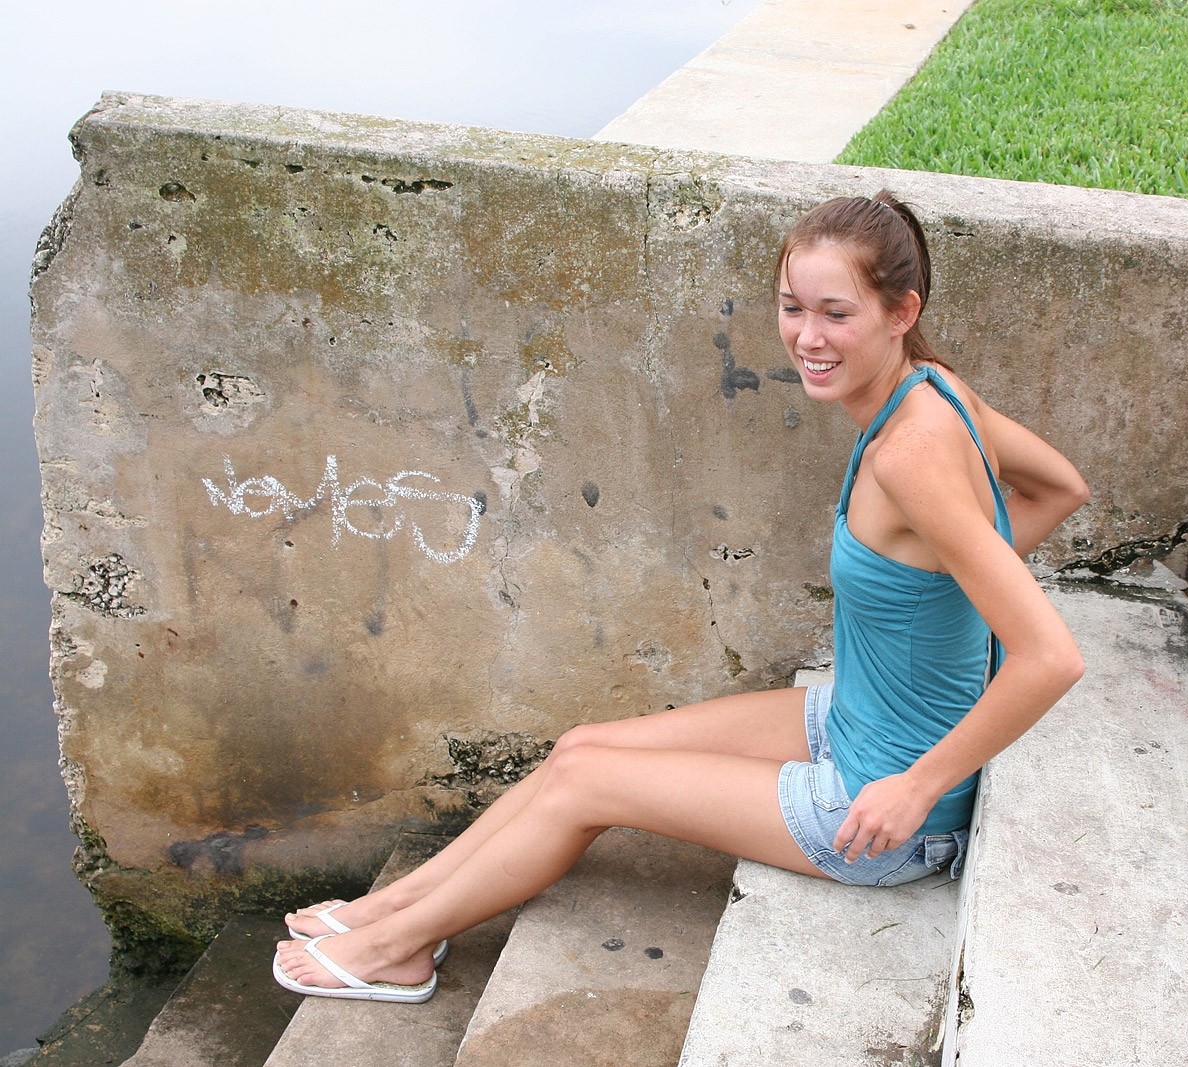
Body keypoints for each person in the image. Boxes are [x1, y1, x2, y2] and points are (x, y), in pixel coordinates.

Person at [273, 190, 1089, 1003]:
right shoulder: (937, 389)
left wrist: (914, 786)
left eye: (836, 313)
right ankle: (392, 907)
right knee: (580, 746)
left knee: (587, 787)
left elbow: (1050, 657)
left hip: (880, 805)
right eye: (792, 307)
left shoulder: (910, 454)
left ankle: (399, 949)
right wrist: (947, 573)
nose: (808, 336)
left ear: (899, 311)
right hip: (855, 720)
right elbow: (1061, 487)